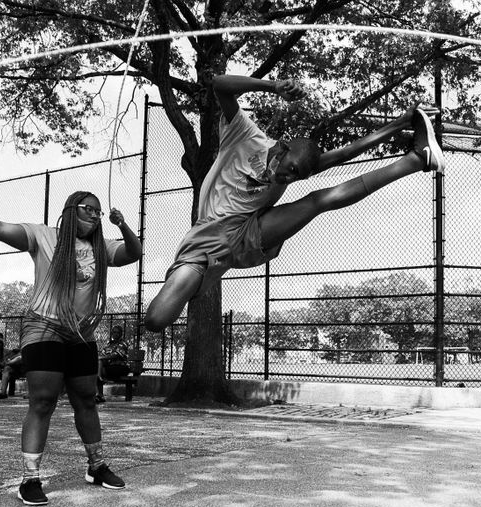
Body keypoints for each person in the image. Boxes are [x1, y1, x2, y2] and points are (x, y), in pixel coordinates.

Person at [143, 74, 445, 332]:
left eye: (294, 177)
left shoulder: (295, 169)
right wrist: (272, 86)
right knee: (156, 320)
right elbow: (219, 85)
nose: (285, 178)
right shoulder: (244, 134)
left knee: (318, 201)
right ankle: (195, 278)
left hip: (249, 234)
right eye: (288, 169)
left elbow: (344, 153)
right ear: (284, 147)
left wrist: (400, 122)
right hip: (207, 238)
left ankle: (417, 160)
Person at [0, 191, 142, 506]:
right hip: (44, 325)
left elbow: (133, 252)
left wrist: (123, 224)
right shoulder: (43, 236)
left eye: (99, 213)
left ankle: (96, 466)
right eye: (89, 209)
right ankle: (30, 479)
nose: (94, 216)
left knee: (86, 399)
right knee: (43, 401)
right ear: (72, 209)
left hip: (82, 331)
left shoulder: (101, 248)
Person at [96, 324, 130, 403]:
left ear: (121, 334)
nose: (115, 334)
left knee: (99, 368)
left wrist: (102, 358)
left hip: (121, 367)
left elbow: (116, 355)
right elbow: (102, 354)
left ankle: (100, 394)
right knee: (99, 365)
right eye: (114, 332)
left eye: (117, 332)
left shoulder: (123, 343)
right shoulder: (109, 344)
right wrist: (102, 358)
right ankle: (100, 392)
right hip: (110, 367)